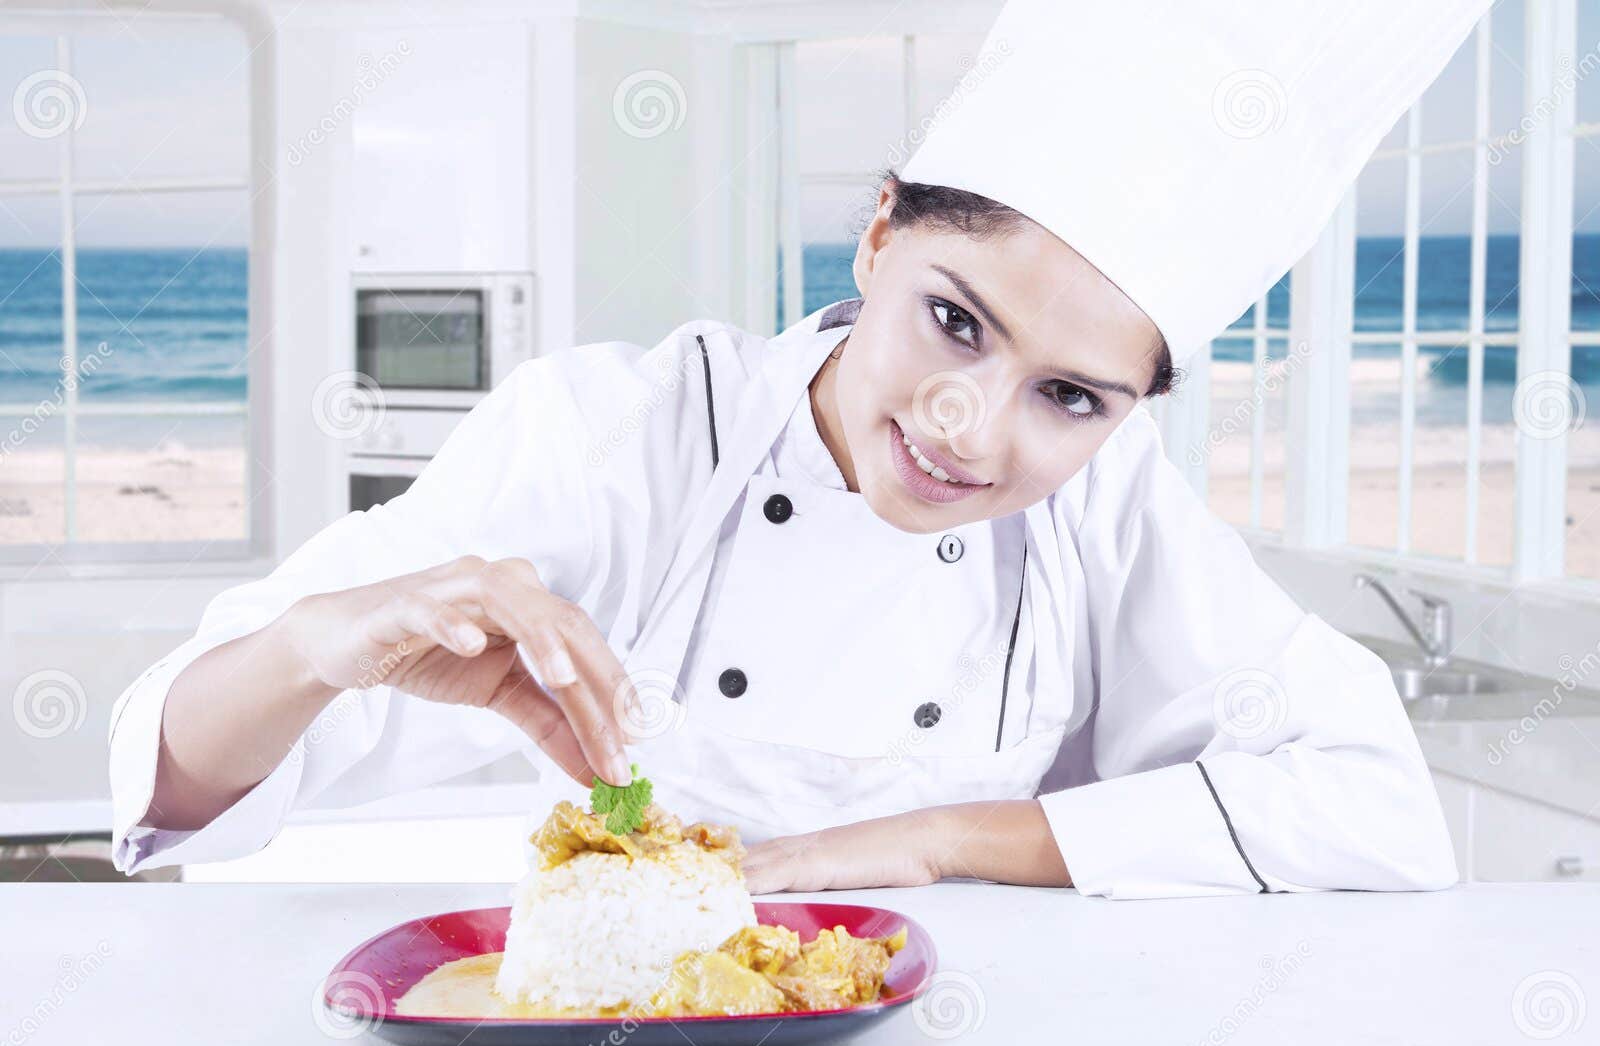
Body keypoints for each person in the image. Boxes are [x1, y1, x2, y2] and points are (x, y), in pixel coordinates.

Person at [109, 0, 1490, 898]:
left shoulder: (1108, 507)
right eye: (954, 320)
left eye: (1070, 397)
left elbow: (1375, 812)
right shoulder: (624, 433)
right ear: (878, 232)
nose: (970, 426)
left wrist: (931, 842)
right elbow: (168, 783)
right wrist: (309, 648)